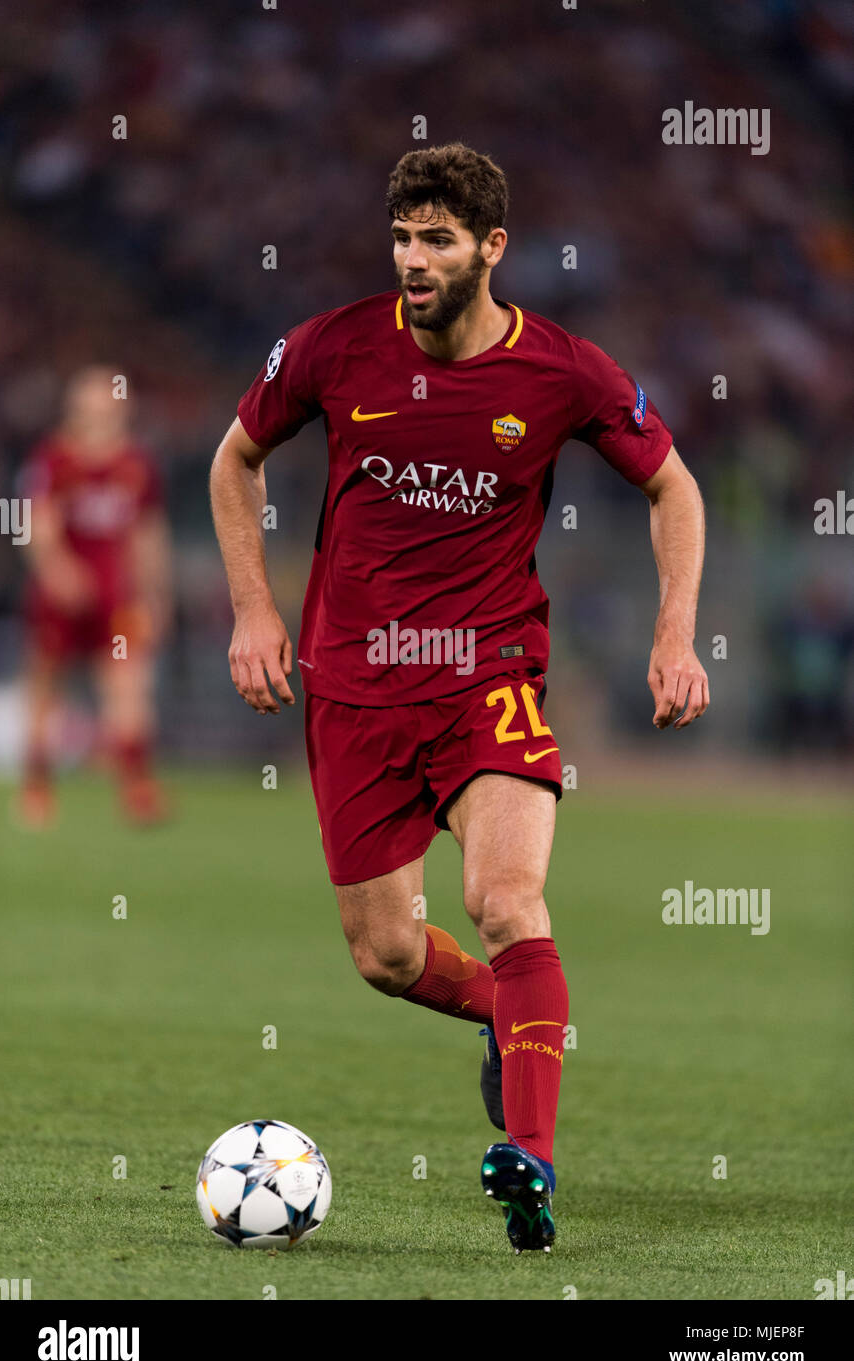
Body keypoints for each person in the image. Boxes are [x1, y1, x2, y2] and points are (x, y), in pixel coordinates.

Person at [210, 143, 709, 1252]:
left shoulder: (563, 371)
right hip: (351, 689)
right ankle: (511, 1014)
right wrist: (253, 610)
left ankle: (526, 1160)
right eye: (400, 237)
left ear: (490, 248)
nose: (412, 260)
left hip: (487, 676)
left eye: (435, 239)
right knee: (386, 954)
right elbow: (232, 459)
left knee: (503, 900)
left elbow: (672, 484)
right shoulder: (332, 347)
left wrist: (674, 635)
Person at [18, 365, 171, 826]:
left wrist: (157, 595)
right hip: (58, 598)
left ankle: (137, 788)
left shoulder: (137, 467)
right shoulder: (53, 460)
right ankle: (37, 787)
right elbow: (35, 523)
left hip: (116, 598)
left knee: (128, 688)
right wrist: (56, 569)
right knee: (46, 689)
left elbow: (148, 536)